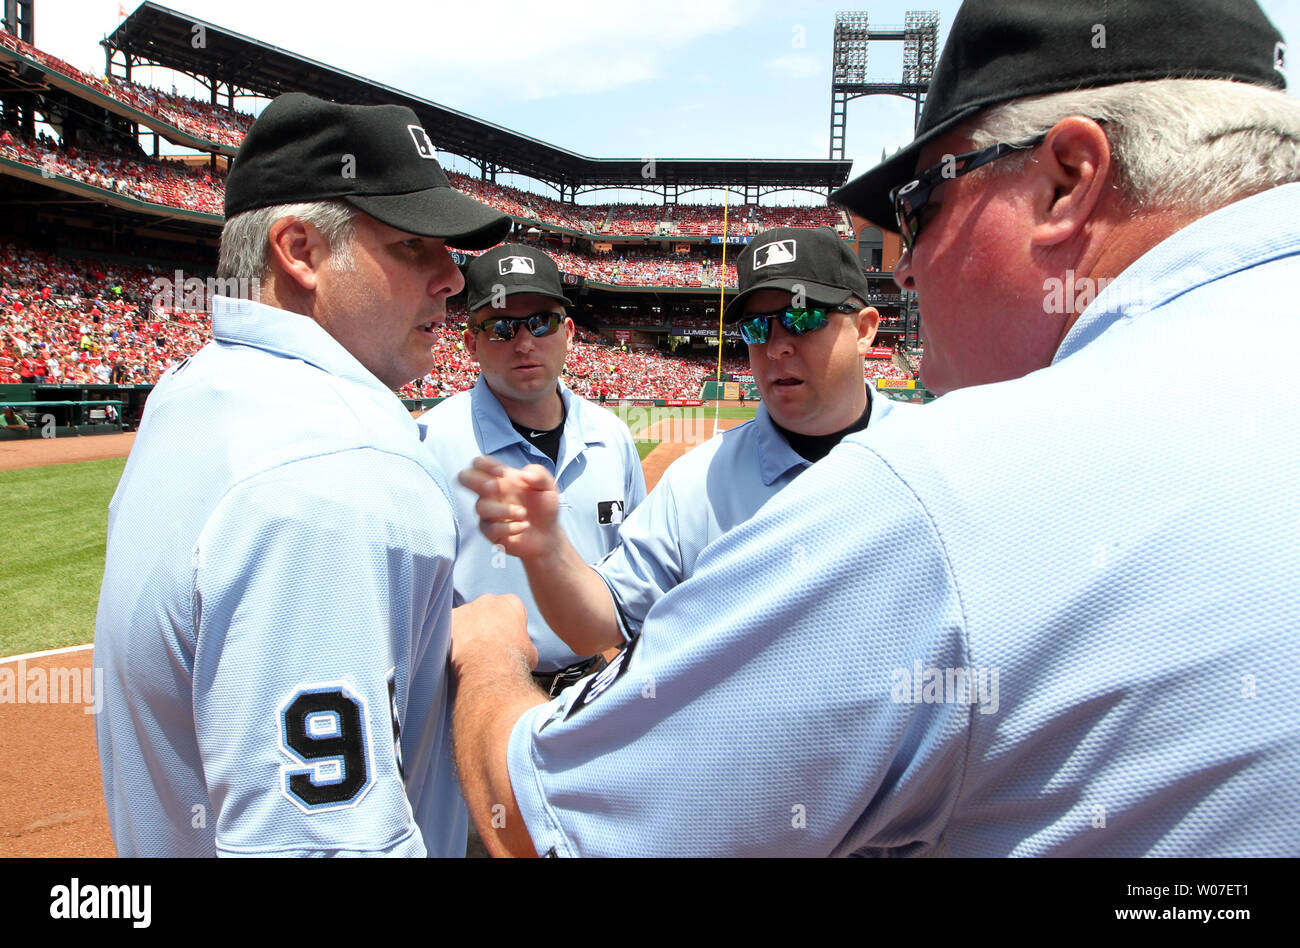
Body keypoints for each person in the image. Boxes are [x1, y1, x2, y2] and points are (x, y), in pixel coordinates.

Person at [447, 0, 1300, 857]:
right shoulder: (712, 475)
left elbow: (543, 822)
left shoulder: (929, 489)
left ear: (1069, 180)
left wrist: (489, 658)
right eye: (755, 328)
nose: (904, 261)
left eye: (922, 204)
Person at [93, 92, 510, 857]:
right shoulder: (343, 466)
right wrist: (487, 661)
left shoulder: (190, 391)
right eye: (415, 246)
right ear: (300, 250)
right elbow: (322, 844)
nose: (453, 279)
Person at [459, 226, 899, 660]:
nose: (777, 346)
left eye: (803, 317)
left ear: (865, 329)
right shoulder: (695, 483)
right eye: (757, 328)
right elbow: (598, 628)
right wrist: (549, 551)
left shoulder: (941, 455)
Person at [419, 243, 645, 697]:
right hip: (475, 689)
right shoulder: (430, 443)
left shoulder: (613, 437)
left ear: (569, 332)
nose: (524, 343)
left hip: (595, 686)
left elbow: (637, 572)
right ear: (470, 342)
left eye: (541, 322)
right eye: (501, 328)